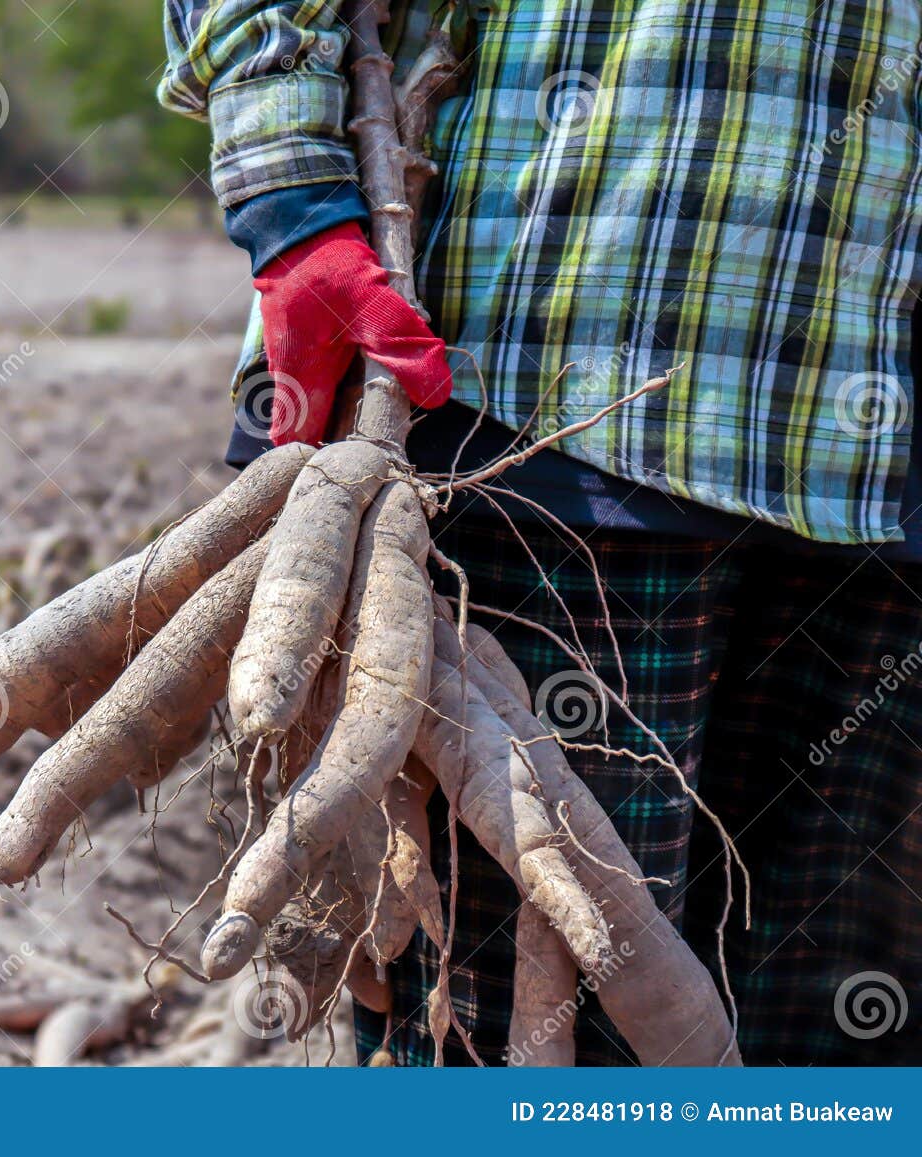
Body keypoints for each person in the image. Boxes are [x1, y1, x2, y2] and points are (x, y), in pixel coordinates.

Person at [160, 0, 922, 1065]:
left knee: (840, 1036)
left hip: (885, 474)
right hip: (535, 385)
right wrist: (292, 192)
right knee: (507, 1029)